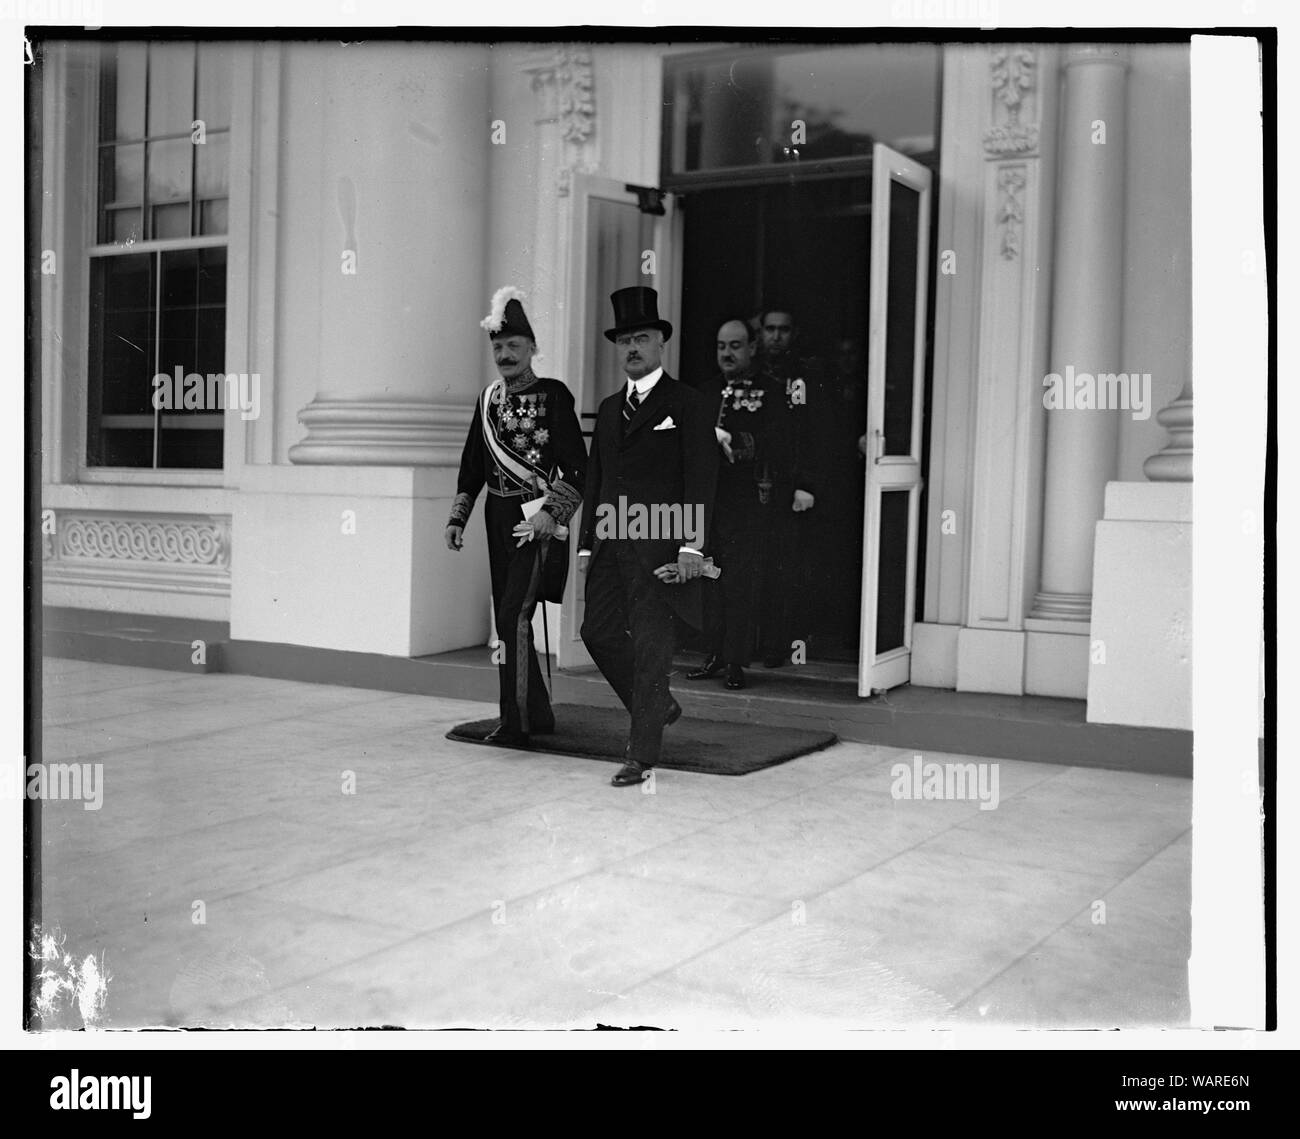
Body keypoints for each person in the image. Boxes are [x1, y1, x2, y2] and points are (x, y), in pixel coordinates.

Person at [577, 287, 719, 787]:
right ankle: (658, 705)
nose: (632, 348)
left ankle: (641, 755)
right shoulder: (610, 405)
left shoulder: (687, 404)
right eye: (624, 340)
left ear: (661, 344)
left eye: (642, 338)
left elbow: (702, 478)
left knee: (653, 646)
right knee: (597, 631)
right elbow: (597, 479)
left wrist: (690, 548)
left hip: (663, 545)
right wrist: (587, 544)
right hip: (614, 542)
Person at [445, 287, 587, 748]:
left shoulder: (554, 396)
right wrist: (458, 517)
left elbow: (579, 469)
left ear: (532, 350)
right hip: (496, 516)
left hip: (534, 520)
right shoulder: (486, 399)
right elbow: (472, 464)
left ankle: (517, 722)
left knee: (514, 616)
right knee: (509, 616)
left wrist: (552, 512)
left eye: (514, 347)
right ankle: (534, 712)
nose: (505, 355)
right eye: (498, 347)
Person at [687, 316, 773, 690]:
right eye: (721, 346)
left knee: (738, 582)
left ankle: (736, 661)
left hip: (744, 499)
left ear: (752, 348)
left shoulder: (768, 391)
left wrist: (734, 443)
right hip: (708, 501)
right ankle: (715, 655)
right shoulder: (703, 392)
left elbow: (776, 443)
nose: (727, 353)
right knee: (710, 578)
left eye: (735, 346)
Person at [754, 304, 824, 667]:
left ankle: (778, 645)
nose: (776, 336)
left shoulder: (801, 377)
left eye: (783, 330)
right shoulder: (749, 373)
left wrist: (805, 484)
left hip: (787, 486)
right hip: (752, 485)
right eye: (770, 329)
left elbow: (809, 434)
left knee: (785, 568)